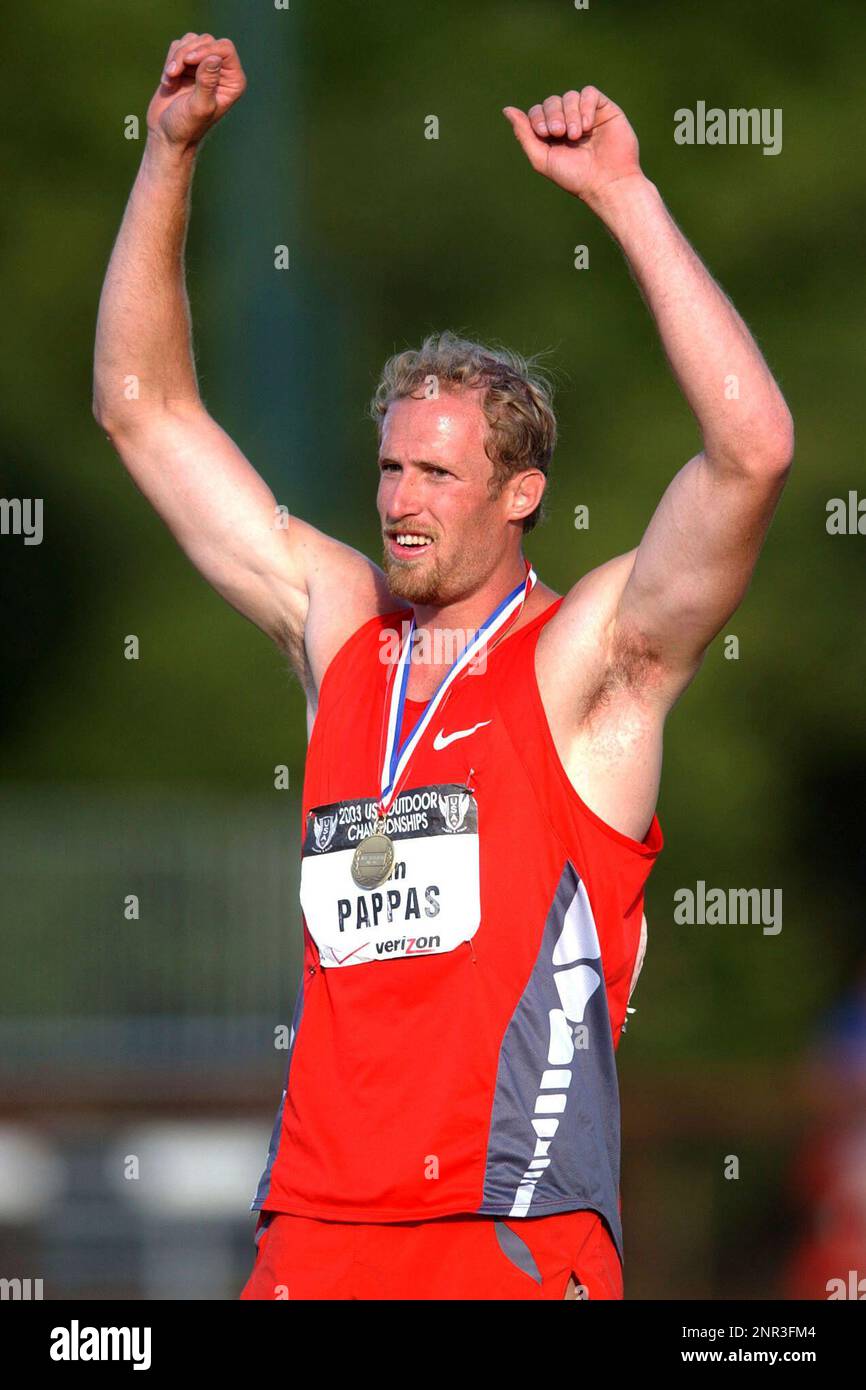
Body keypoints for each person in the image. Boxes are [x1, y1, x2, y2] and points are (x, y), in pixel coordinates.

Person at [92, 34, 794, 1300]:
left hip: (504, 1226)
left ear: (519, 492)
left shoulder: (587, 658)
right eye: (388, 468)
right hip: (310, 1222)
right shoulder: (338, 623)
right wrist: (169, 156)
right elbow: (143, 408)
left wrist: (624, 199)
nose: (398, 501)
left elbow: (749, 454)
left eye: (437, 473)